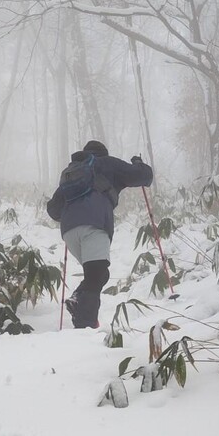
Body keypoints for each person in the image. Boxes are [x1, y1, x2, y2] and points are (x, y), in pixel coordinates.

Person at [47, 140, 154, 329]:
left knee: (97, 273)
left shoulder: (71, 173)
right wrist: (138, 162)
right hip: (95, 225)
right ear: (103, 154)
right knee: (96, 275)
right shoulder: (106, 163)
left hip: (69, 232)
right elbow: (144, 176)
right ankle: (85, 326)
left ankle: (77, 299)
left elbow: (53, 210)